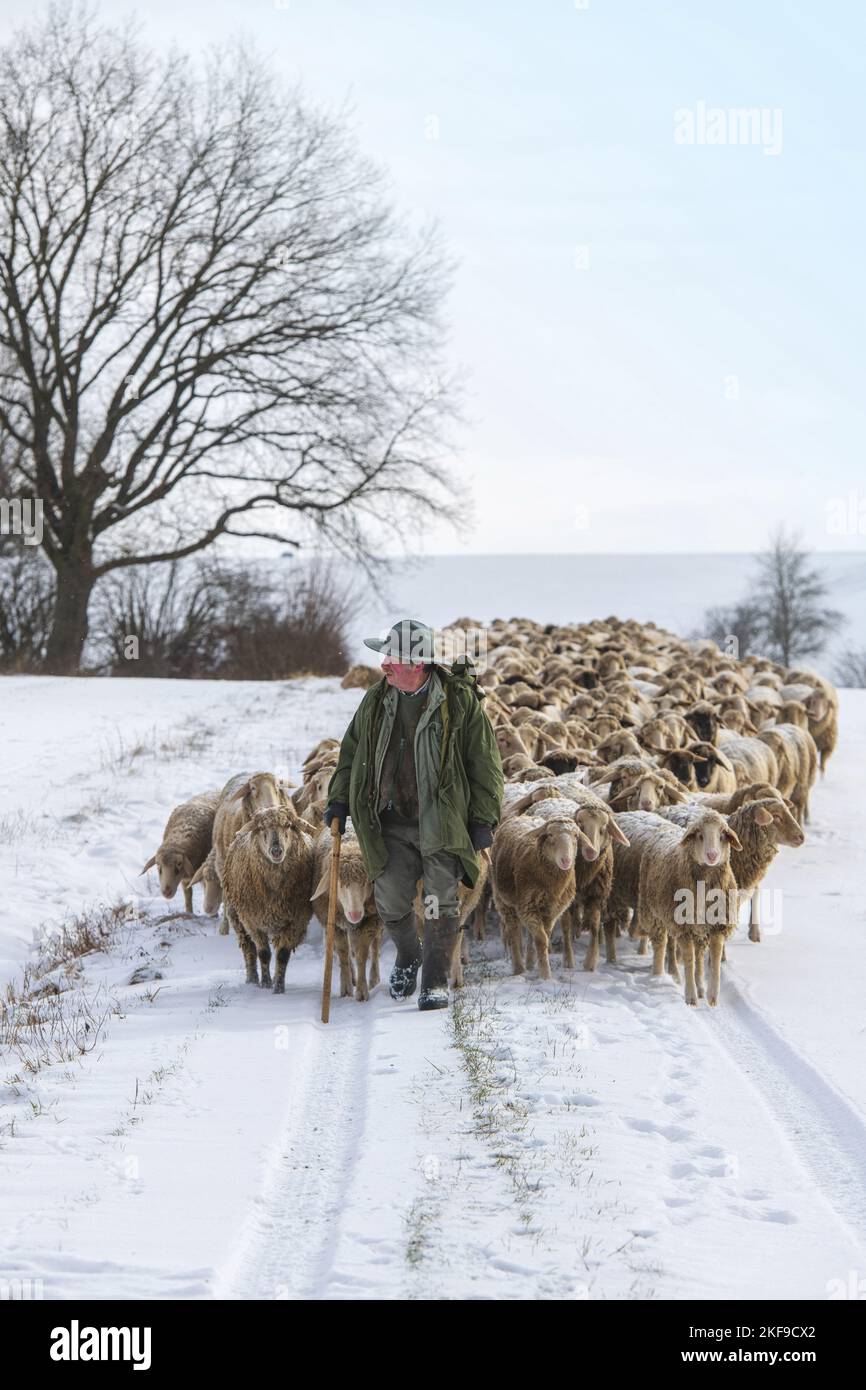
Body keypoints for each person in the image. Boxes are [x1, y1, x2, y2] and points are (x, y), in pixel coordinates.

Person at [324, 619, 504, 1010]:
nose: (384, 665)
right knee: (389, 899)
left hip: (441, 823)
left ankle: (435, 981)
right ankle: (409, 954)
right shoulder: (376, 700)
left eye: (393, 658)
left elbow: (485, 763)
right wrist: (338, 799)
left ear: (417, 664)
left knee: (441, 901)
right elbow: (351, 753)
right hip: (390, 822)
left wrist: (483, 820)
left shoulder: (458, 702)